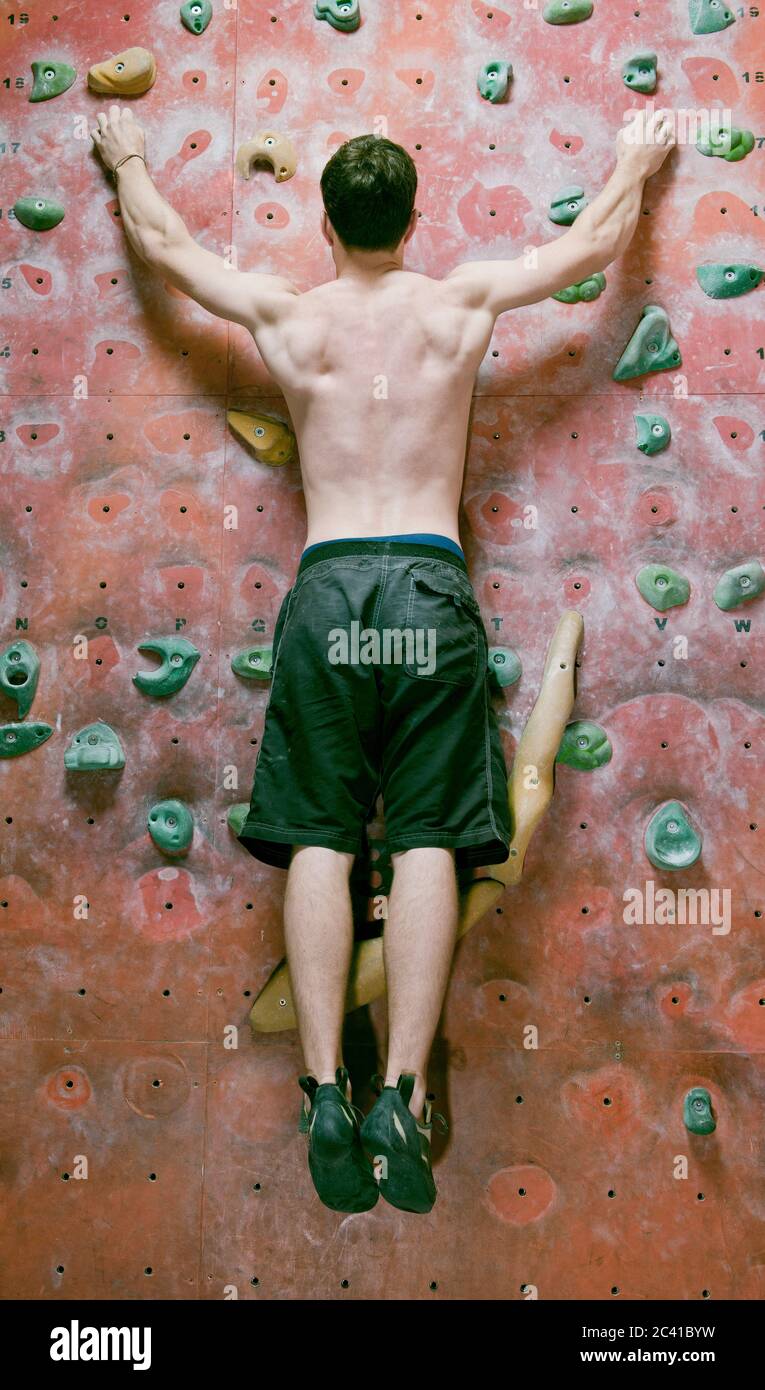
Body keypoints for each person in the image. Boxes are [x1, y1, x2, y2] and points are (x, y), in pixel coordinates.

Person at [91, 105, 675, 1215]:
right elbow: (589, 254)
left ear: (324, 222)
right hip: (426, 583)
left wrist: (123, 155)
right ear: (412, 222)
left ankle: (322, 1084)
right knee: (426, 842)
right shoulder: (456, 301)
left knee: (315, 828)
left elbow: (165, 255)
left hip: (328, 587)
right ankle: (399, 1088)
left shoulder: (289, 313)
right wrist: (634, 161)